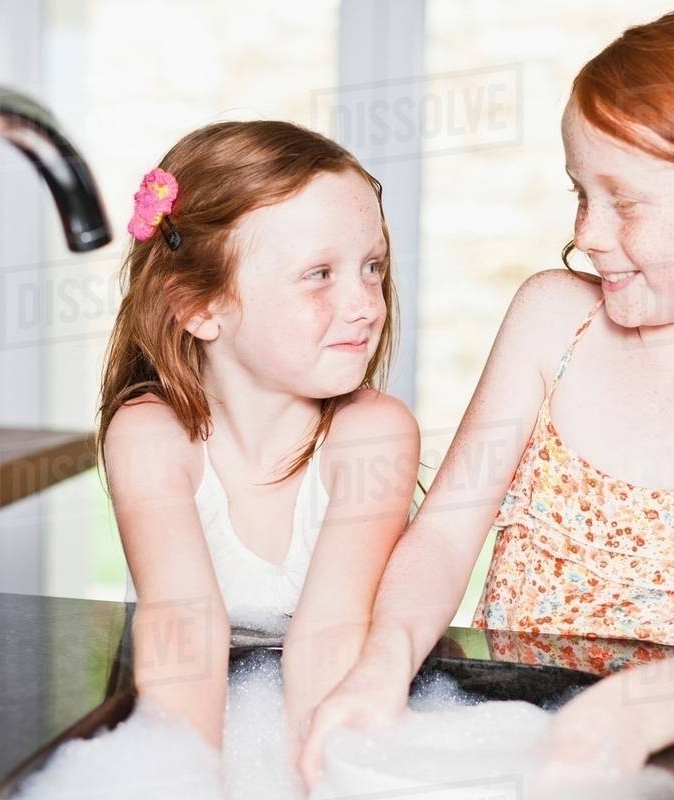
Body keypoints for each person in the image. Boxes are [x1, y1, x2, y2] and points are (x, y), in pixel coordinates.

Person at [299, 3, 674, 796]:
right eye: (582, 195)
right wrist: (381, 667)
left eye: (627, 203)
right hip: (511, 743)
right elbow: (442, 534)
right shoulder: (555, 318)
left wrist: (615, 720)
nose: (588, 234)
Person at [95, 121, 420, 784]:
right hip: (198, 721)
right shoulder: (150, 436)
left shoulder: (372, 435)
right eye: (320, 275)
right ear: (199, 305)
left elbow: (328, 645)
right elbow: (186, 640)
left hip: (330, 725)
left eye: (373, 267)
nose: (366, 304)